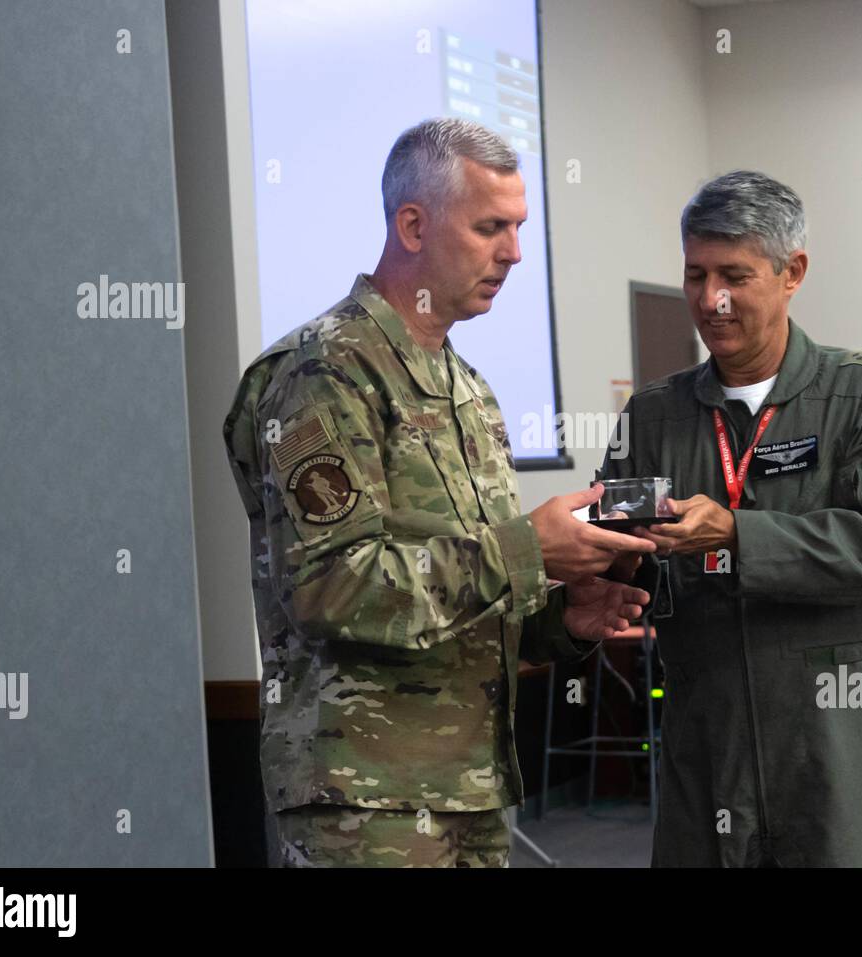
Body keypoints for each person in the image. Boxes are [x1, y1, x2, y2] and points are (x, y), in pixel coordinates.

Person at [223, 117, 652, 867]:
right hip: (365, 806)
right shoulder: (325, 373)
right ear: (413, 225)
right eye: (491, 227)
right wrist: (528, 547)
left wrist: (563, 619)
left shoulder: (468, 390)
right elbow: (331, 589)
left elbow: (463, 606)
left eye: (518, 228)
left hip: (471, 791)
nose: (514, 253)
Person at [601, 171, 862, 866]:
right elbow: (615, 541)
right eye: (695, 274)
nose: (710, 299)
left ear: (793, 273)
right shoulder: (654, 414)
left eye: (734, 275)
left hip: (832, 747)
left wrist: (734, 532)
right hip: (706, 746)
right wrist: (605, 562)